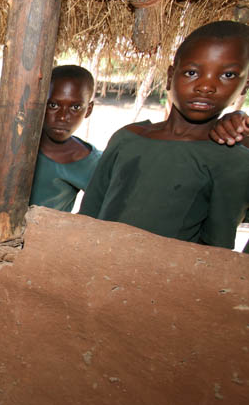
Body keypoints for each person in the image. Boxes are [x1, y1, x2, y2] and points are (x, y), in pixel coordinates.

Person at [80, 21, 249, 249]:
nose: (206, 86)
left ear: (244, 87)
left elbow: (216, 249)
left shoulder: (232, 159)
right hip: (93, 268)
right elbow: (88, 214)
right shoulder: (128, 138)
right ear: (171, 76)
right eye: (191, 72)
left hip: (167, 280)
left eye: (228, 75)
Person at [29, 65, 101, 212]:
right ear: (41, 103)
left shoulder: (91, 163)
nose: (62, 117)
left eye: (75, 107)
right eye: (53, 105)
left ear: (88, 110)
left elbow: (102, 209)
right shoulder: (15, 142)